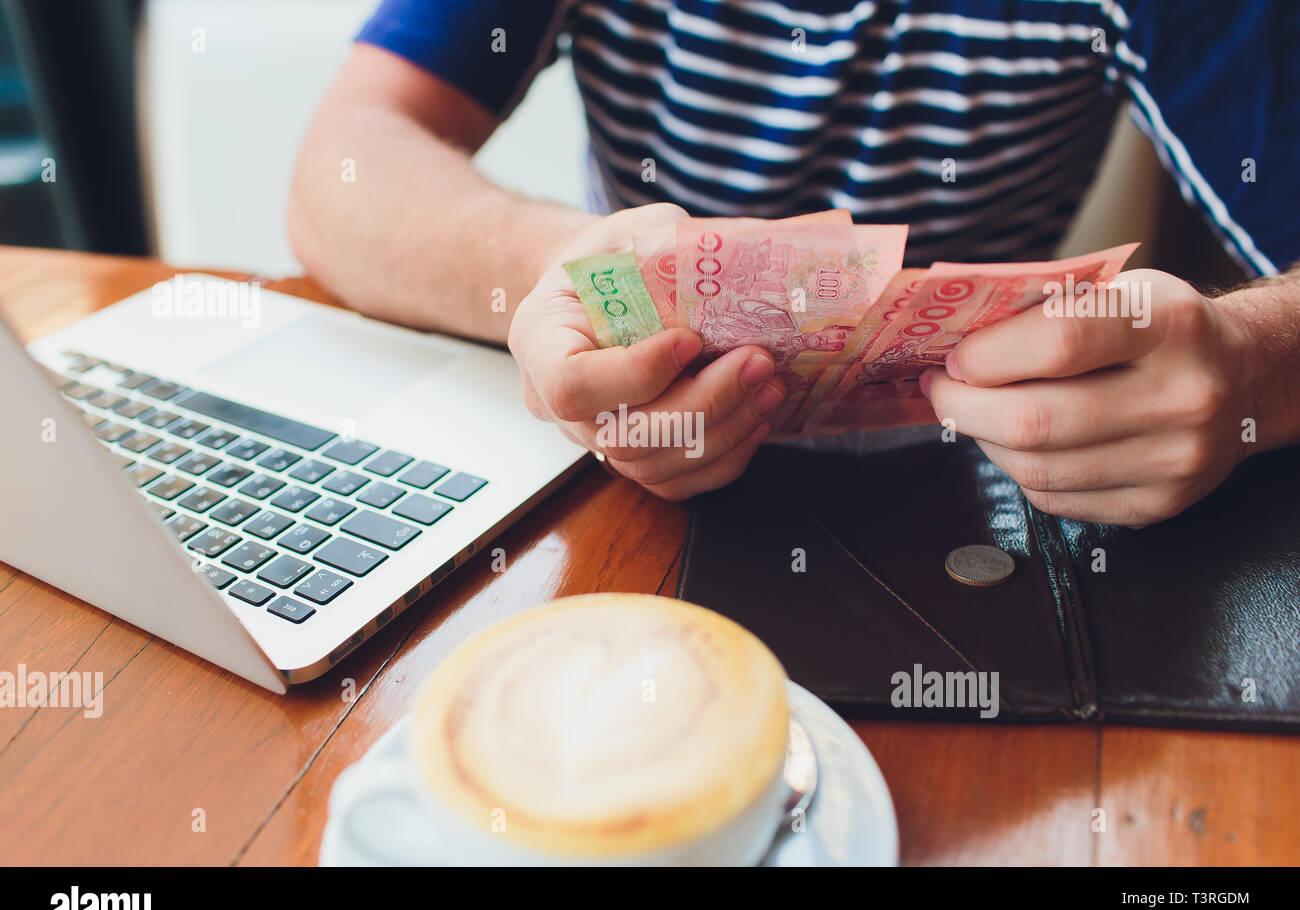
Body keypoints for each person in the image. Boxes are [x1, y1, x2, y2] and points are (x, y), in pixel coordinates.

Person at [288, 0, 1300, 525]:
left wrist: (1254, 361)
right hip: (610, 466)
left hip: (992, 484)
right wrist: (558, 270)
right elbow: (341, 169)